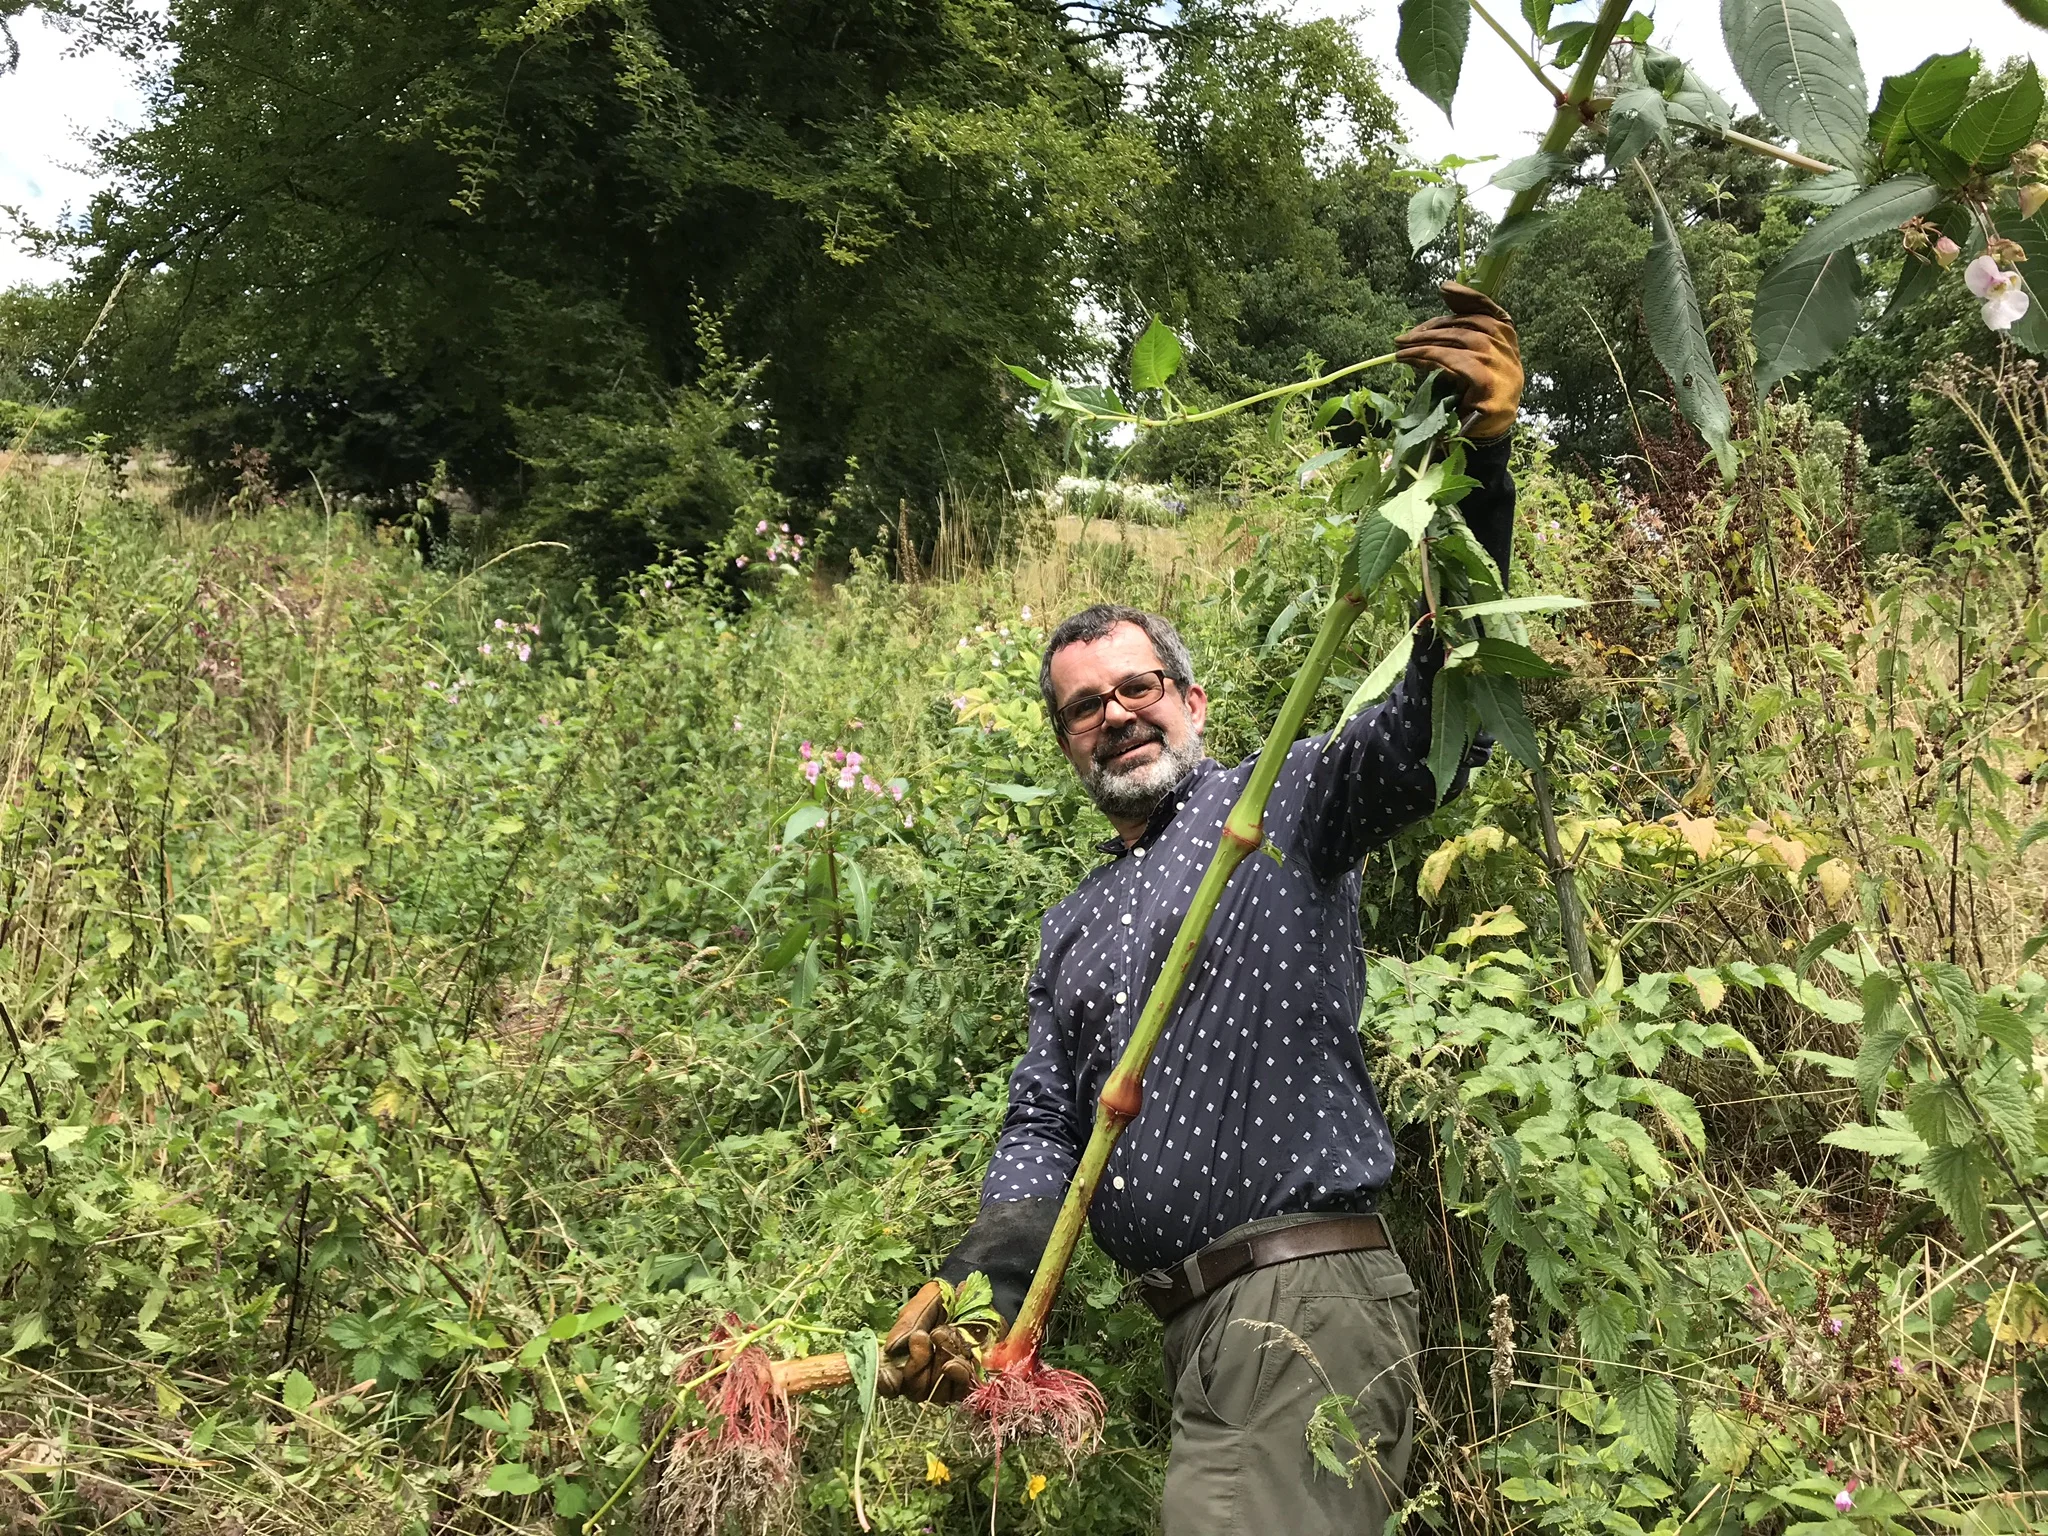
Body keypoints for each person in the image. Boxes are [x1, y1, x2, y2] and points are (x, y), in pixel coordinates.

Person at [876, 284, 1526, 1534]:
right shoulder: (1072, 925)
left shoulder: (1285, 802)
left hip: (1304, 1300)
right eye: (1083, 705)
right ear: (1064, 740)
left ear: (1194, 700)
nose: (1115, 712)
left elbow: (1437, 720)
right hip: (1199, 1333)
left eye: (1139, 686)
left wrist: (1479, 472)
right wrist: (980, 1283)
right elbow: (1041, 1120)